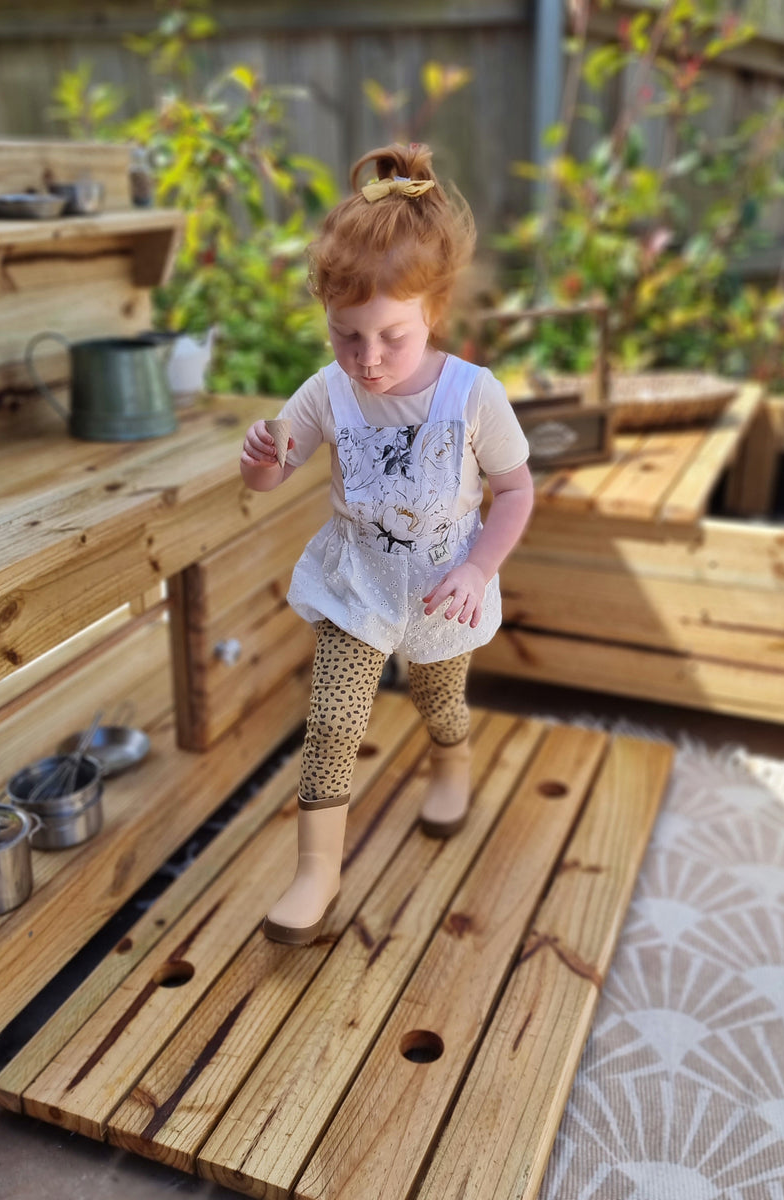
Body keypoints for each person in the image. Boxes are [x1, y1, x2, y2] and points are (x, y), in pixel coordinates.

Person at [239, 142, 534, 945]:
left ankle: (452, 764)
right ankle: (317, 871)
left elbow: (515, 492)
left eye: (390, 337)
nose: (367, 360)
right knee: (333, 719)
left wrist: (480, 567)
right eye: (346, 336)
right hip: (359, 586)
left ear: (432, 312)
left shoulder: (474, 395)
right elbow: (271, 476)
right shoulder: (326, 391)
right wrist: (261, 460)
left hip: (444, 586)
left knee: (440, 700)